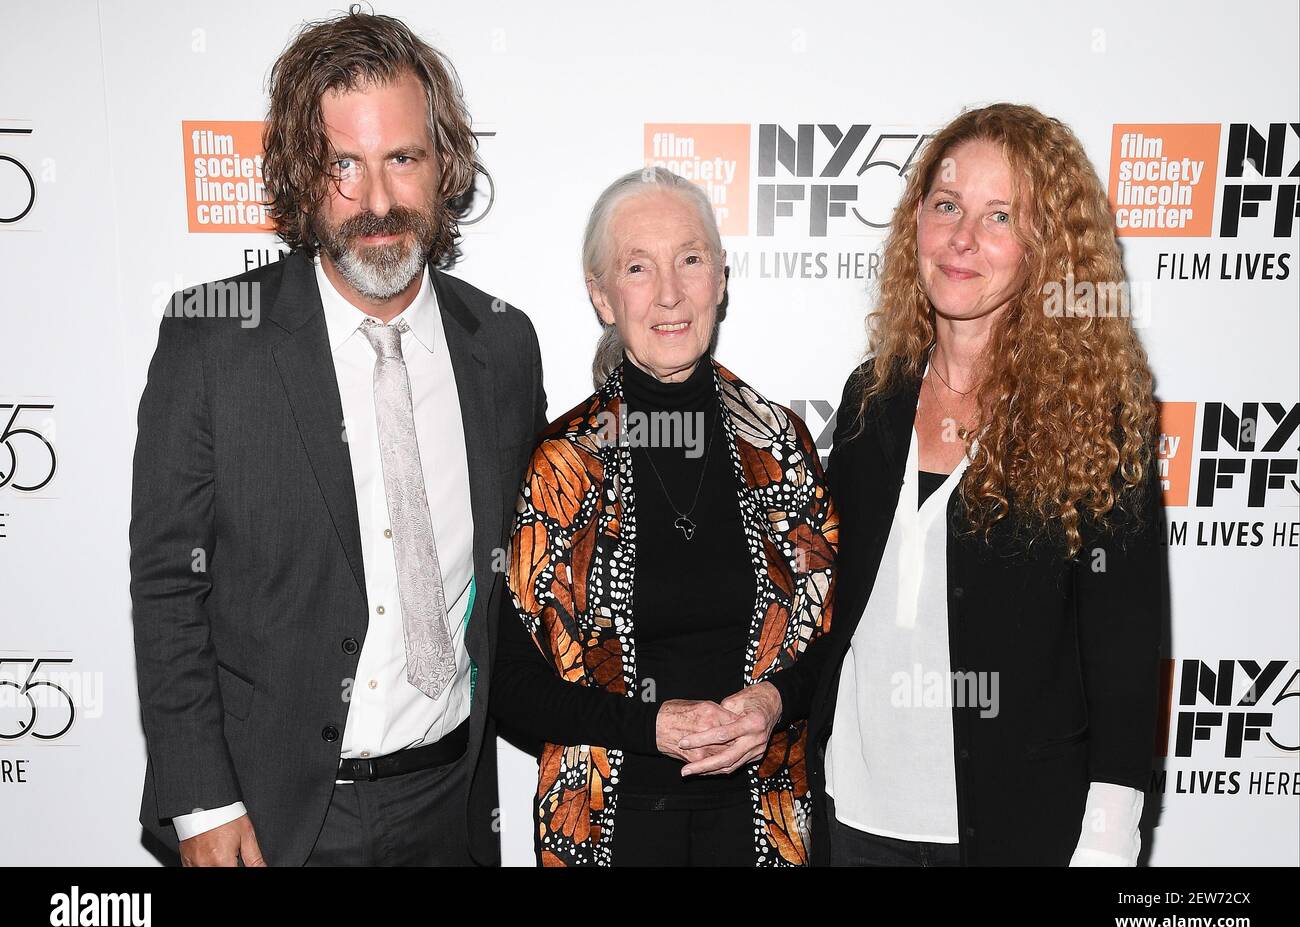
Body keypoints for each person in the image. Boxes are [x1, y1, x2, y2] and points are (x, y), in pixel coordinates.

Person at [130, 10, 546, 866]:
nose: (379, 202)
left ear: (445, 165)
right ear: (298, 175)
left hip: (451, 809)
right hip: (275, 821)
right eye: (341, 166)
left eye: (402, 159)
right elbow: (171, 586)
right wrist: (201, 799)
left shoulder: (503, 346)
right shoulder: (213, 340)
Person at [784, 103, 1165, 866]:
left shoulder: (1095, 420)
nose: (962, 240)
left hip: (1015, 831)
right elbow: (839, 604)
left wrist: (1108, 840)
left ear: (1044, 249)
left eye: (1000, 217)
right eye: (947, 206)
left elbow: (1126, 651)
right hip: (852, 815)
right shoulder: (872, 396)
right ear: (916, 221)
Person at [492, 168, 838, 866]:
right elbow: (514, 690)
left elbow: (840, 642)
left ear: (721, 278)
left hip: (763, 823)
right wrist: (652, 726)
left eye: (690, 259)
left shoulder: (782, 449)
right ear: (602, 295)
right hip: (609, 831)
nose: (671, 294)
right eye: (638, 267)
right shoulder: (564, 467)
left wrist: (772, 703)